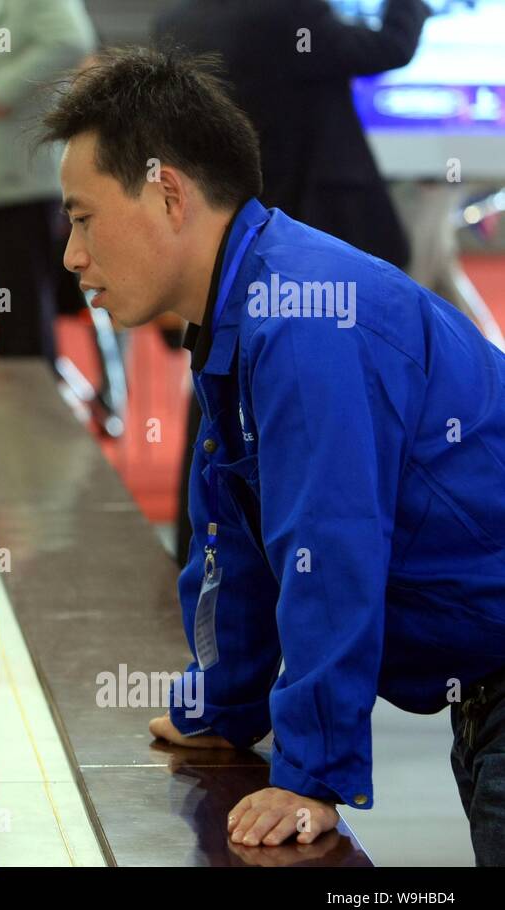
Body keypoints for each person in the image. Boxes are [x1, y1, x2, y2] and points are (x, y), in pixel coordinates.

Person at [41, 47, 505, 863]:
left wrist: (310, 775)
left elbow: (330, 546)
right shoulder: (245, 308)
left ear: (167, 192)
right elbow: (235, 532)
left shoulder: (303, 322)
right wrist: (223, 704)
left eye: (83, 218)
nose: (73, 256)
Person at [152, 0, 432, 561]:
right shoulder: (288, 12)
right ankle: (324, 552)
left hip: (225, 228)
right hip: (314, 236)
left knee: (220, 378)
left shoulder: (177, 20)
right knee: (332, 400)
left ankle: (205, 543)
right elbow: (388, 48)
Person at [0, 0, 97, 364]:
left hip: (21, 184)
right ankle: (17, 412)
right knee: (15, 316)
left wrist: (2, 90)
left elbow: (72, 39)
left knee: (25, 321)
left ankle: (33, 415)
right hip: (3, 184)